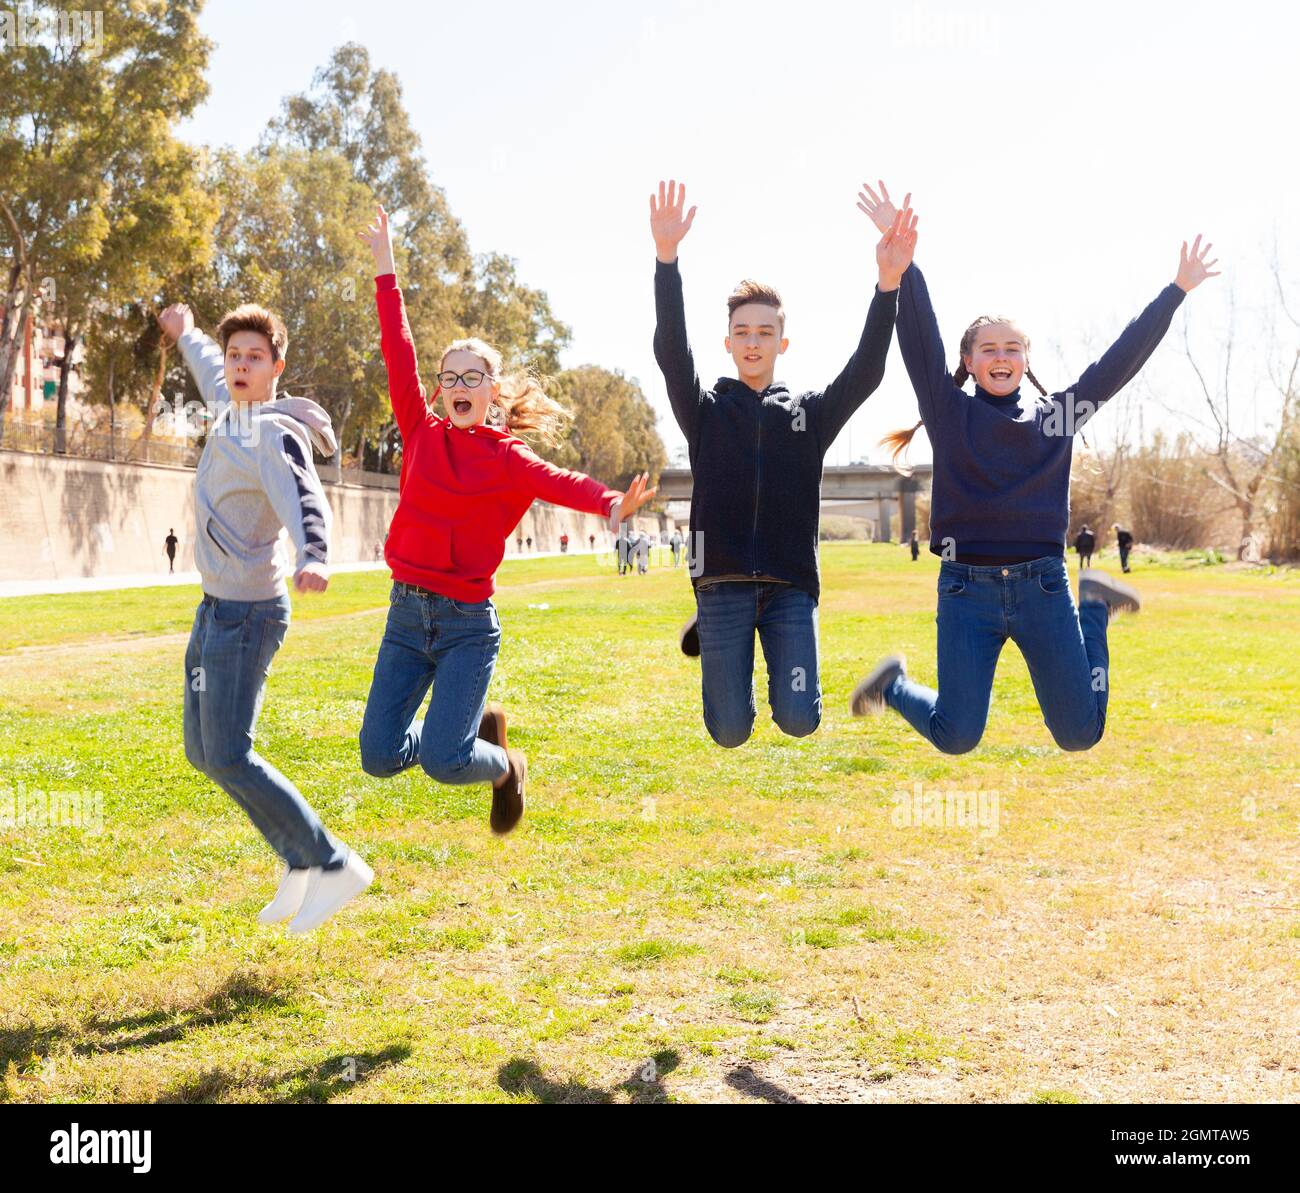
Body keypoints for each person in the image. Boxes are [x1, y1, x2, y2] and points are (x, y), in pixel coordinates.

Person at [851, 197, 1219, 755]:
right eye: (989, 349)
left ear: (1026, 358)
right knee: (956, 735)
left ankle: (1094, 606)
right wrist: (905, 271)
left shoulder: (1058, 417)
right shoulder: (950, 412)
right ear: (970, 361)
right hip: (965, 590)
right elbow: (919, 341)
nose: (1002, 356)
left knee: (1080, 733)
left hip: (1043, 586)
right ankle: (894, 686)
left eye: (1013, 348)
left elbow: (1120, 361)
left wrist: (1175, 292)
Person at [356, 204, 657, 834]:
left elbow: (558, 480)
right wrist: (385, 266)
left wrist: (610, 503)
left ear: (494, 391)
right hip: (407, 615)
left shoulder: (506, 456)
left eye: (475, 375)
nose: (460, 383)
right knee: (380, 756)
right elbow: (396, 347)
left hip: (467, 624)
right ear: (439, 389)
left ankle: (500, 764)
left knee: (443, 761)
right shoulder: (420, 429)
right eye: (450, 376)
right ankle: (473, 740)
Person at [651, 178, 912, 747]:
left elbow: (866, 371)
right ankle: (718, 634)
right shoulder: (704, 411)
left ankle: (743, 645)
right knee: (729, 730)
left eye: (765, 332)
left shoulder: (809, 415)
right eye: (742, 332)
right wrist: (666, 262)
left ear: (781, 343)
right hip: (720, 582)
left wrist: (887, 285)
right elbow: (673, 355)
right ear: (727, 342)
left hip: (789, 583)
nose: (752, 342)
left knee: (799, 718)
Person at [158, 300, 371, 935]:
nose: (241, 365)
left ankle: (332, 862)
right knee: (205, 752)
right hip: (213, 610)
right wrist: (187, 333)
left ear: (278, 366)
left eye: (255, 356)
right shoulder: (228, 405)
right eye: (235, 356)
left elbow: (305, 498)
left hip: (247, 617)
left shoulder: (273, 435)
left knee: (227, 751)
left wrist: (316, 555)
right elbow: (203, 367)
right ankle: (300, 861)